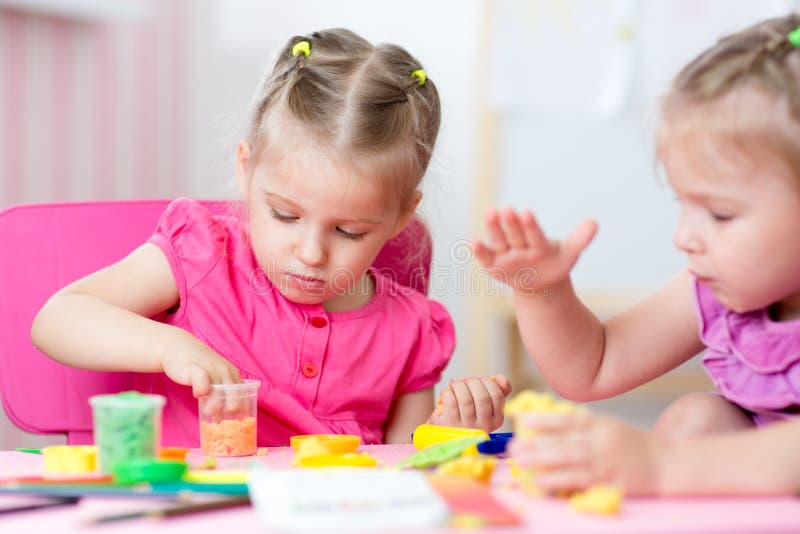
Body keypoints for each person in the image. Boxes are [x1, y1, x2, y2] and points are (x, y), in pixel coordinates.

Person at [31, 28, 511, 447]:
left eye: (349, 231)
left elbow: (406, 465)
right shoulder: (202, 256)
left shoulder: (408, 331)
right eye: (284, 215)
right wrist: (169, 348)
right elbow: (58, 318)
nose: (311, 253)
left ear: (402, 216)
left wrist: (451, 431)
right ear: (246, 169)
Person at [473, 14, 800, 495]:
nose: (684, 237)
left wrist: (663, 465)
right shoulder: (716, 288)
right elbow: (594, 365)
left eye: (721, 214)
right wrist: (543, 289)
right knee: (698, 419)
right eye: (683, 204)